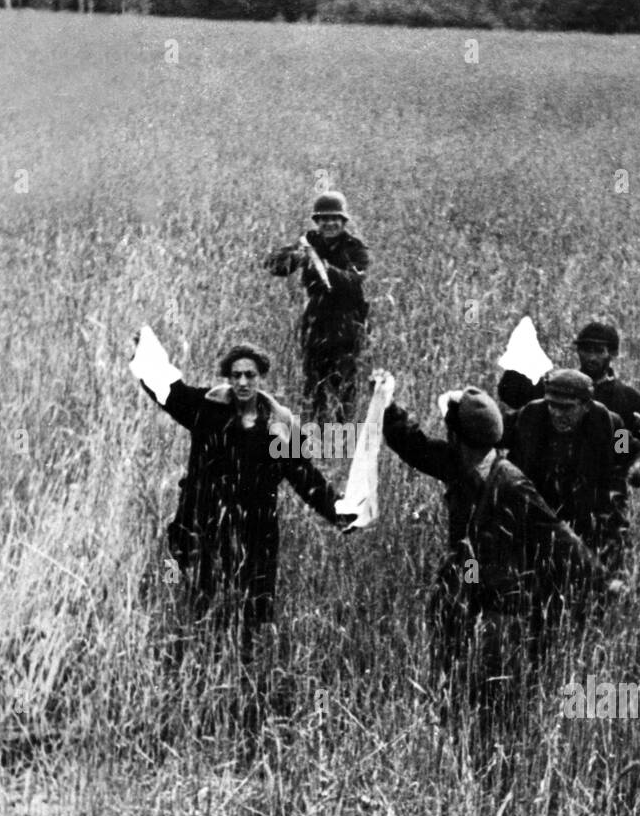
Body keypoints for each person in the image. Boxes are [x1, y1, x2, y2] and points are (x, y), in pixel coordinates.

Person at [378, 372, 614, 717]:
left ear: (457, 437)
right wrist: (386, 404)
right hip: (463, 597)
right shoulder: (459, 464)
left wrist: (604, 583)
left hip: (501, 612)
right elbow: (414, 446)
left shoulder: (511, 484)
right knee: (454, 691)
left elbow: (561, 538)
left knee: (493, 701)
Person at [136, 338, 353, 647]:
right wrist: (143, 357)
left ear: (260, 377)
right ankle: (199, 659)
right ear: (228, 378)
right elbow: (169, 393)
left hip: (255, 531)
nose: (242, 382)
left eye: (249, 375)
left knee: (251, 612)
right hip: (205, 525)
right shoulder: (206, 409)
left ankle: (246, 668)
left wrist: (338, 512)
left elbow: (306, 478)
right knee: (201, 602)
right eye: (235, 375)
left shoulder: (279, 426)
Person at [498, 320, 640, 489]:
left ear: (612, 353)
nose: (591, 357)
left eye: (599, 351)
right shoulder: (560, 386)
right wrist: (520, 356)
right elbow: (512, 396)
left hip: (600, 489)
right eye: (586, 350)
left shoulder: (628, 400)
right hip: (549, 480)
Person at [500, 368, 629, 570]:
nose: (557, 414)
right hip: (534, 513)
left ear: (586, 406)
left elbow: (621, 469)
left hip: (586, 515)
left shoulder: (614, 425)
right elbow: (491, 434)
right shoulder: (528, 415)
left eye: (567, 408)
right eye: (553, 405)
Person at [265, 191, 370, 424]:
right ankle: (314, 445)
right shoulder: (309, 242)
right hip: (316, 325)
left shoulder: (356, 248)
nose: (329, 223)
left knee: (344, 389)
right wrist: (295, 256)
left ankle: (341, 445)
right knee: (313, 389)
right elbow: (272, 265)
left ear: (343, 222)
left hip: (347, 327)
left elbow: (353, 282)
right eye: (324, 219)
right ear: (317, 222)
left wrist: (322, 266)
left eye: (335, 218)